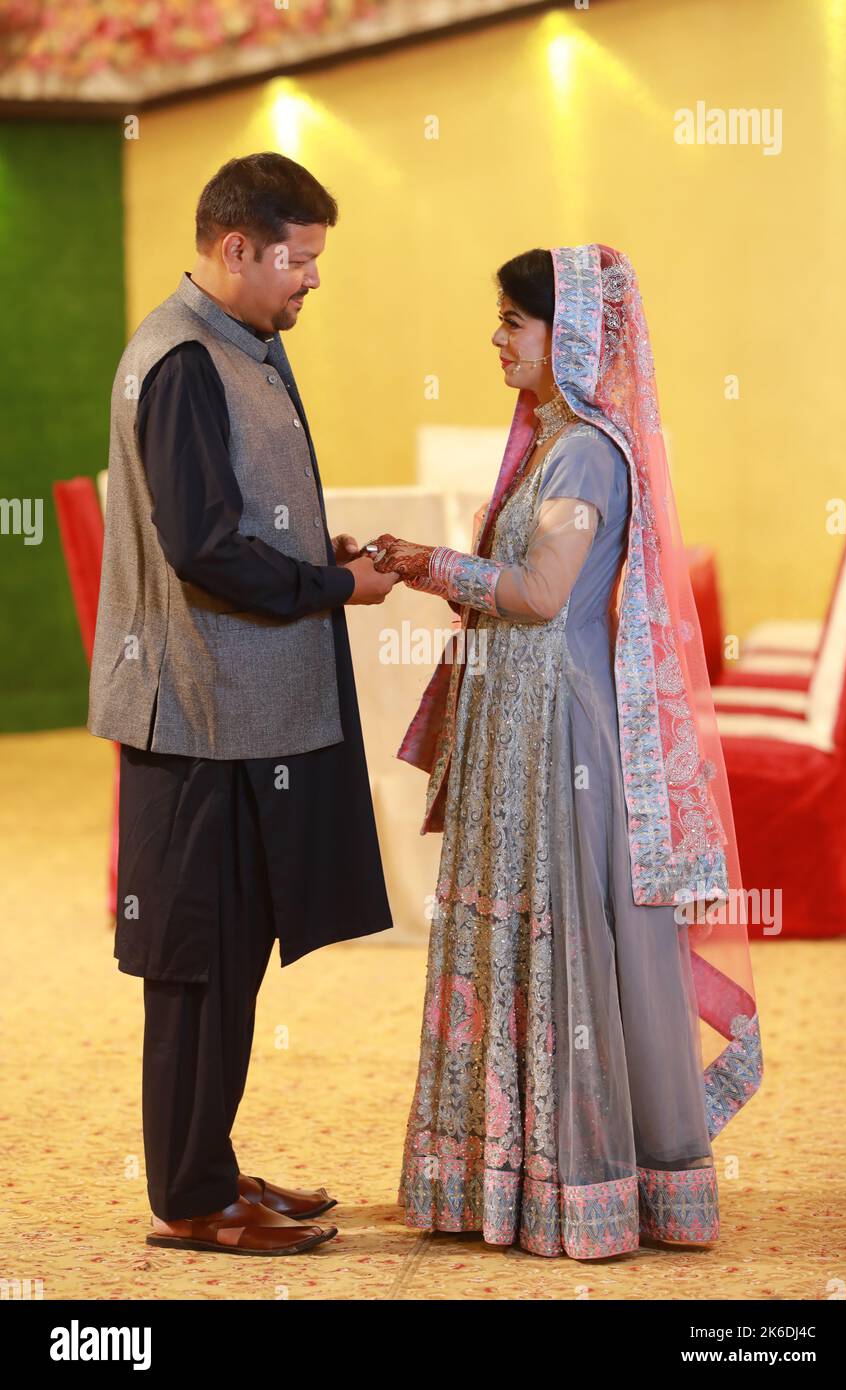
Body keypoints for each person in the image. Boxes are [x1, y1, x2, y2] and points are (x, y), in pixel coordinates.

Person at [371, 244, 763, 1259]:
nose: (497, 338)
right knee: (521, 940)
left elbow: (543, 593)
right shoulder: (552, 441)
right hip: (523, 726)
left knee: (563, 944)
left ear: (570, 335)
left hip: (559, 734)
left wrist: (428, 566)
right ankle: (502, 1175)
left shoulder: (586, 450)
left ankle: (575, 1179)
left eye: (512, 320)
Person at [87, 153, 398, 1257]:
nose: (311, 281)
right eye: (298, 260)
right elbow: (204, 549)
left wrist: (323, 554)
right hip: (198, 719)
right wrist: (329, 588)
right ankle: (187, 1199)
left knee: (229, 955)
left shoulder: (241, 344)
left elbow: (243, 520)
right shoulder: (179, 361)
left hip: (242, 715)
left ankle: (207, 1167)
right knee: (193, 965)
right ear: (235, 248)